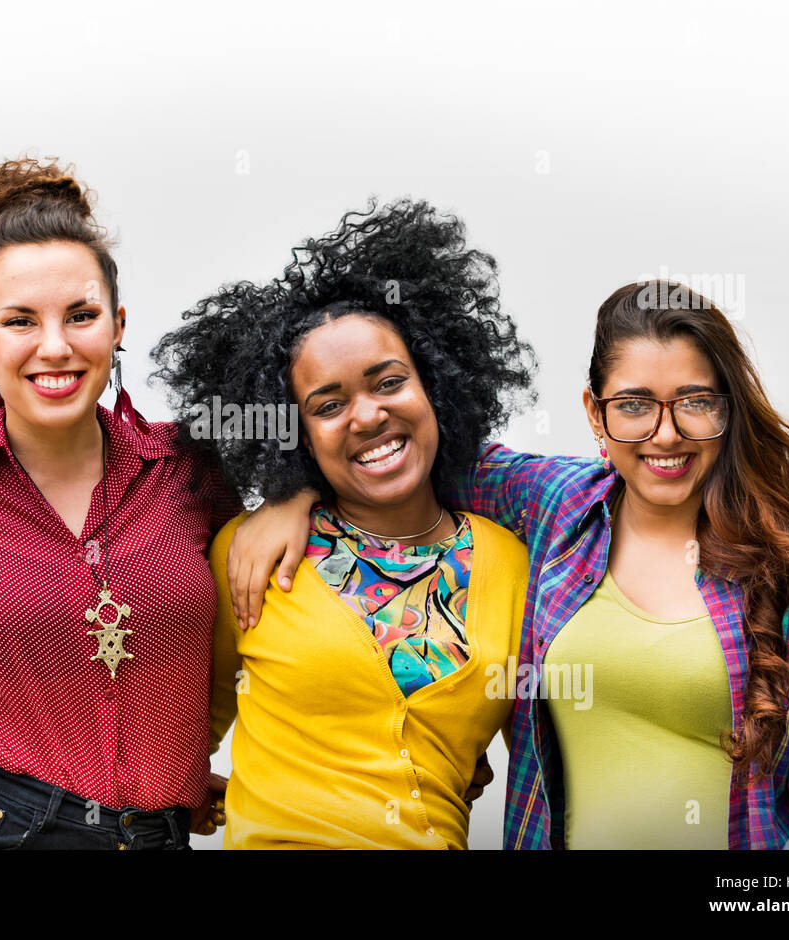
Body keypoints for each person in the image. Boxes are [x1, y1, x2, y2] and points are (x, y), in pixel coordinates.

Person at [230, 280, 789, 849]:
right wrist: (290, 492)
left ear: (727, 411)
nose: (665, 433)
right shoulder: (554, 507)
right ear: (595, 415)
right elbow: (397, 454)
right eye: (633, 405)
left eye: (694, 401)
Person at [151, 198, 534, 848]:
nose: (366, 416)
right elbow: (179, 727)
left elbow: (537, 753)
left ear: (434, 389)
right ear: (295, 434)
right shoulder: (250, 554)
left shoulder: (509, 561)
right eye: (329, 404)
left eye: (388, 383)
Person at [0, 156, 237, 850]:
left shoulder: (193, 472)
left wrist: (292, 501)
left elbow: (284, 601)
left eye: (81, 316)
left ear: (117, 324)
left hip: (162, 836)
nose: (56, 347)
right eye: (20, 320)